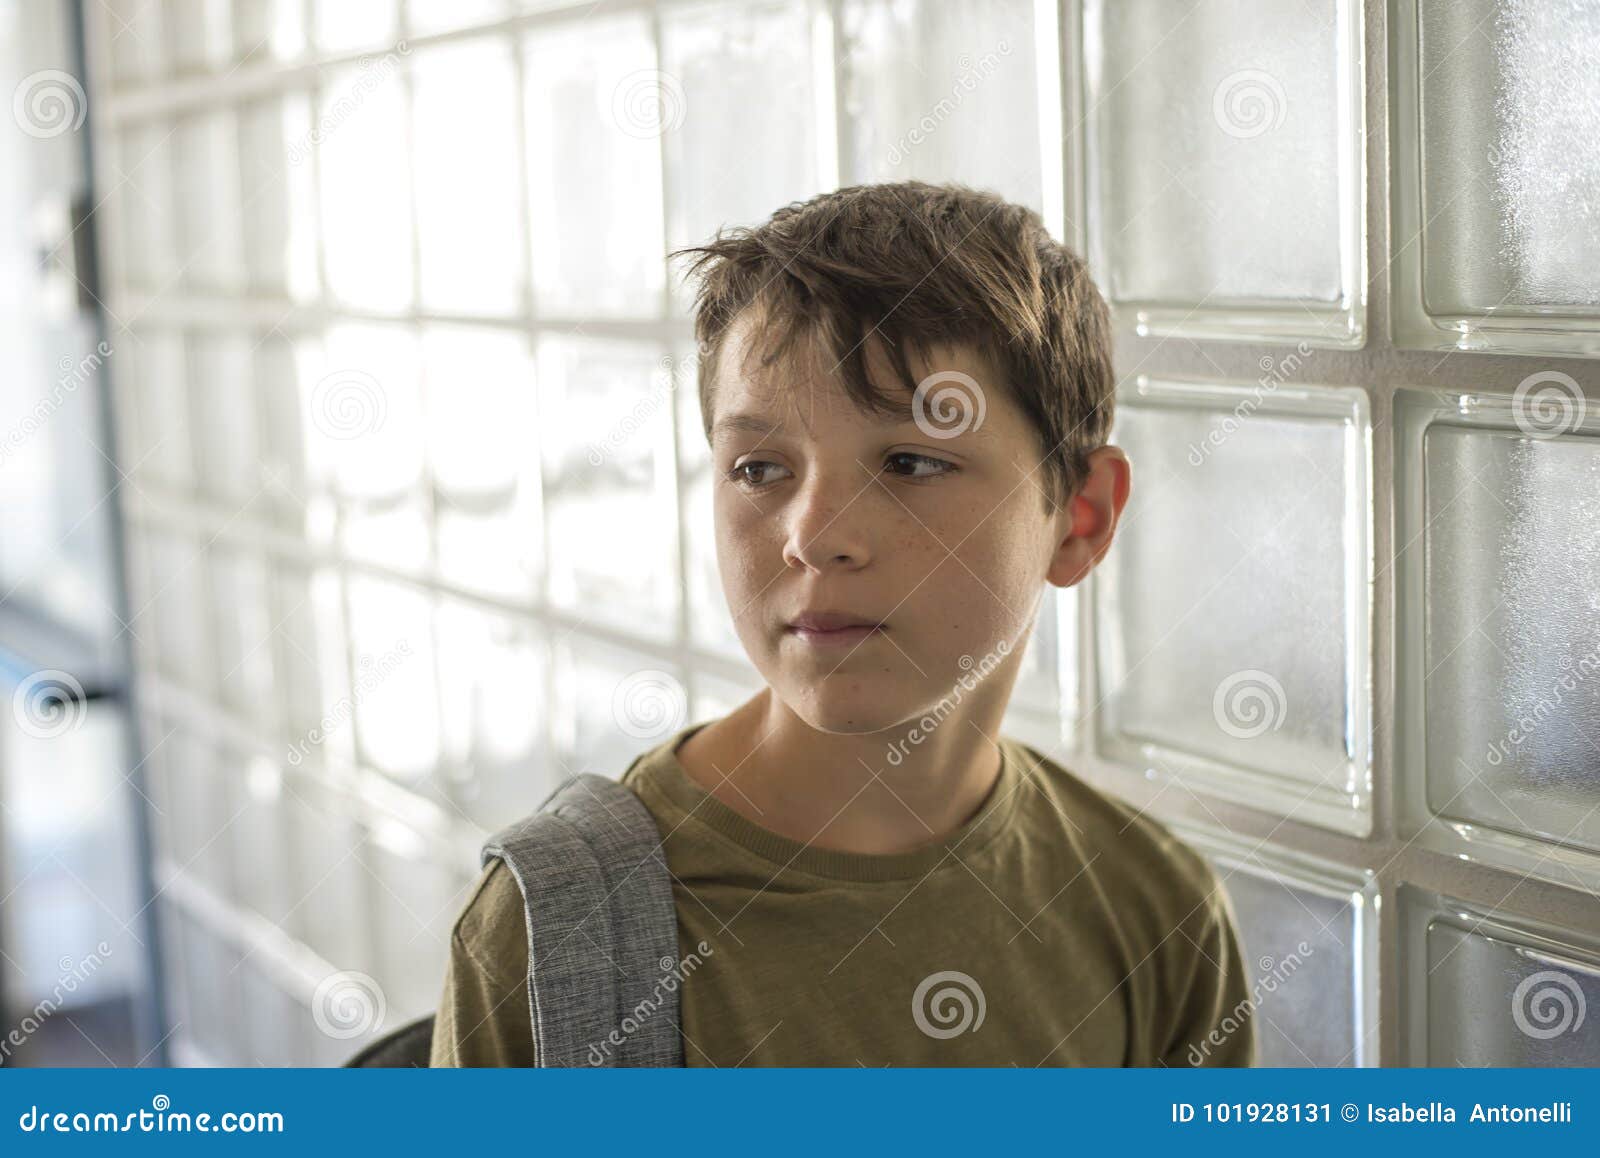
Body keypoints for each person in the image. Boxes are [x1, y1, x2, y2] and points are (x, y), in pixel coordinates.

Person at [430, 180, 1255, 1067]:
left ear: (1079, 516)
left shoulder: (1154, 914)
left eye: (909, 461)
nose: (814, 538)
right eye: (758, 469)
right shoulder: (557, 936)